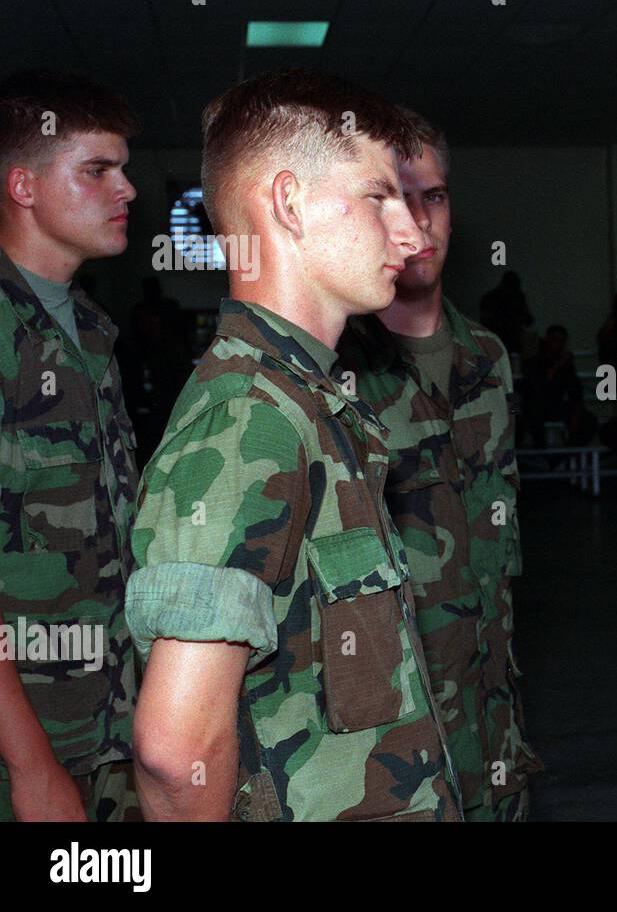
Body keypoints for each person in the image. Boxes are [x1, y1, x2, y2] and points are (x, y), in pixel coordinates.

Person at [125, 70, 461, 821]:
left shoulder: (312, 401)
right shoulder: (252, 418)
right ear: (288, 203)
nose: (411, 233)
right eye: (379, 197)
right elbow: (176, 756)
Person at [338, 108, 543, 821]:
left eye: (435, 196)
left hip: (493, 732)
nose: (419, 221)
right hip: (392, 761)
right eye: (394, 197)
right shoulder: (336, 369)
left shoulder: (487, 357)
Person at [0, 69, 141, 821]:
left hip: (107, 727)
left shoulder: (88, 329)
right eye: (97, 170)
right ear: (24, 186)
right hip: (27, 745)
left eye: (124, 168)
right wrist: (30, 764)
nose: (127, 189)